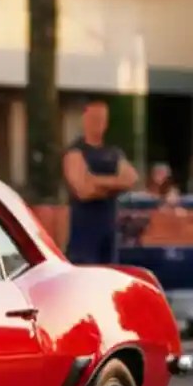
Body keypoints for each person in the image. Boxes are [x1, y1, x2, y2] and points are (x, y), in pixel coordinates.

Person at [61, 98, 138, 264]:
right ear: (85, 120)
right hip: (83, 238)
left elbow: (131, 179)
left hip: (109, 235)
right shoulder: (75, 152)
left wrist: (95, 180)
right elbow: (83, 191)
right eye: (94, 119)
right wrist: (115, 185)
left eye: (102, 119)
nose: (98, 123)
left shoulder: (114, 152)